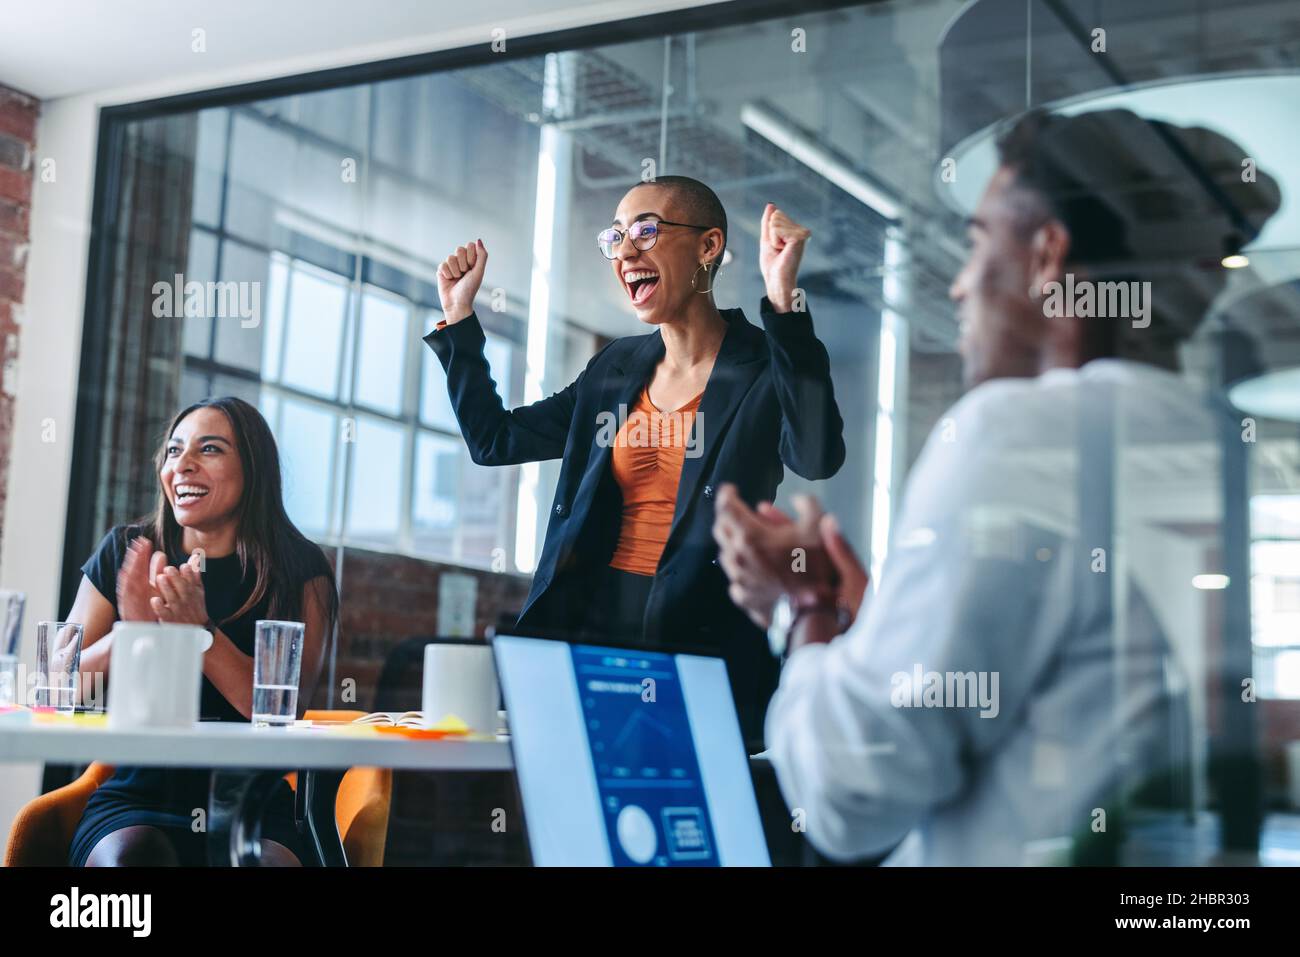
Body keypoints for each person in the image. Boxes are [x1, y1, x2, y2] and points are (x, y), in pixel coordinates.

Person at [713, 109, 1280, 864]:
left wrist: (802, 609)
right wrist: (866, 623)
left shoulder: (1018, 433)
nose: (958, 285)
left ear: (1048, 255)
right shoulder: (1217, 442)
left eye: (978, 243)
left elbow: (850, 796)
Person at [426, 176, 844, 745]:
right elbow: (496, 440)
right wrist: (459, 320)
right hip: (590, 632)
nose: (625, 251)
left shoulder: (766, 365)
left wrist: (783, 303)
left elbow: (816, 456)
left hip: (700, 641)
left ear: (708, 246)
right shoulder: (615, 368)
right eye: (617, 236)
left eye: (646, 231)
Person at [67, 397, 339, 866]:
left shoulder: (300, 569)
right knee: (132, 860)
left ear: (253, 469)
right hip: (137, 798)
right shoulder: (126, 551)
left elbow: (282, 708)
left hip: (252, 803)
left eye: (208, 450)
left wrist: (199, 630)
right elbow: (65, 684)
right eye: (173, 451)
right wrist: (134, 633)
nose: (183, 465)